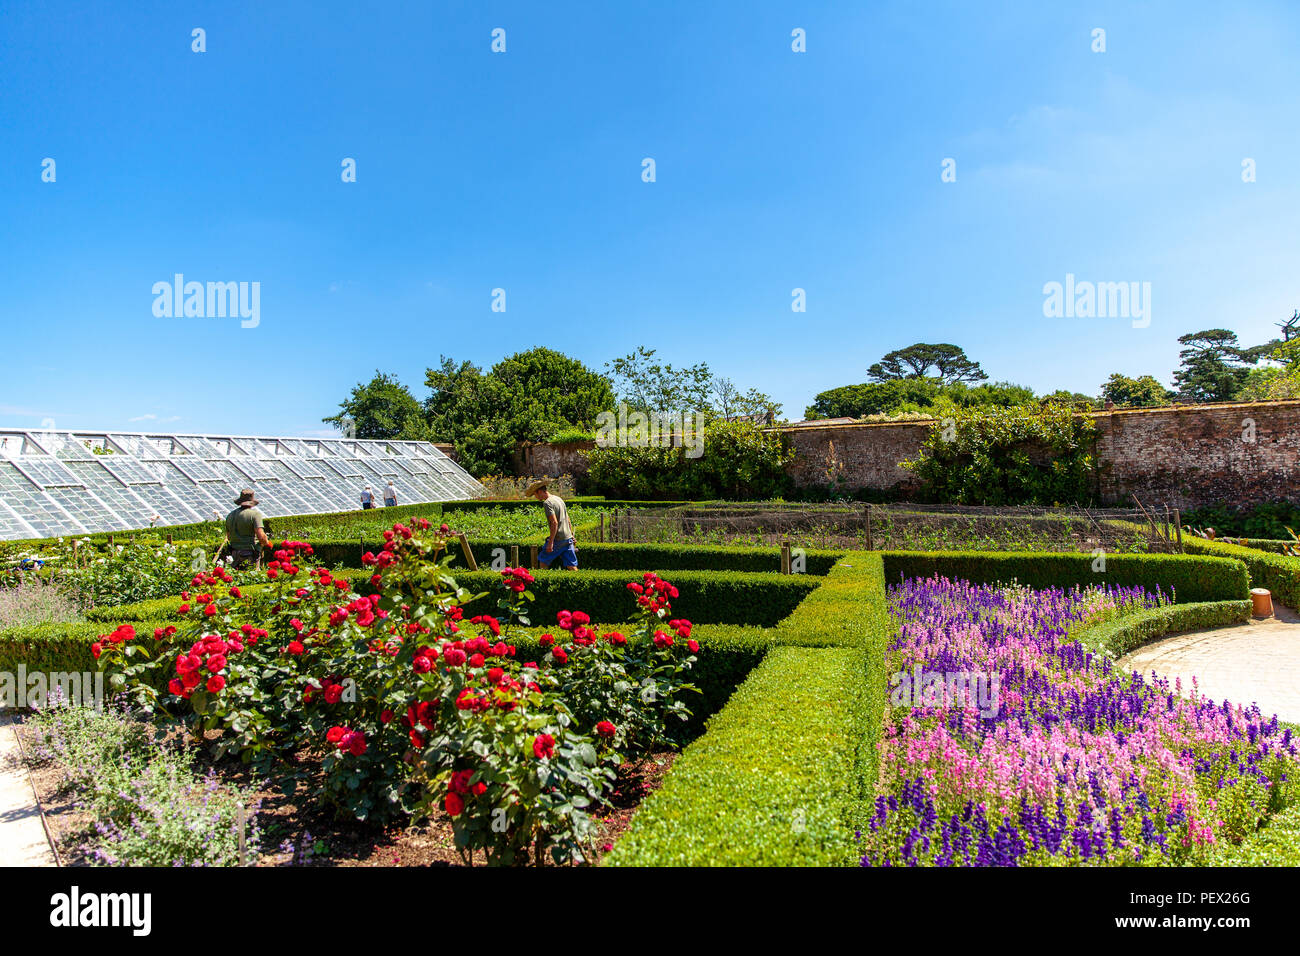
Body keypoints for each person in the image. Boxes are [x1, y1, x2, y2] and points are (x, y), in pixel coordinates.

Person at [526, 478, 577, 570]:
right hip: (567, 538)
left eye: (535, 494)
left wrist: (551, 542)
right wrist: (571, 535)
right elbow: (567, 518)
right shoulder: (558, 499)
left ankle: (543, 582)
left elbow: (554, 523)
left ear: (539, 491)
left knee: (543, 561)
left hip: (559, 539)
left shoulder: (547, 503)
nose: (536, 497)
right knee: (571, 565)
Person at [224, 489, 272, 570]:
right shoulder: (255, 515)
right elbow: (261, 536)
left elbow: (229, 537)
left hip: (233, 554)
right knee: (253, 575)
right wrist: (267, 543)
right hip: (250, 553)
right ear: (252, 502)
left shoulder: (230, 515)